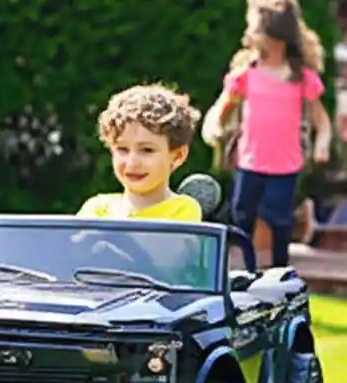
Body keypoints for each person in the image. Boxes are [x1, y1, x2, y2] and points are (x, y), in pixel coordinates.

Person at [207, 0, 332, 270]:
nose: (248, 36)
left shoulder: (301, 78)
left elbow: (322, 121)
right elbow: (223, 106)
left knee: (279, 220)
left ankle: (279, 269)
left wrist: (322, 144)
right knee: (242, 218)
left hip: (285, 165)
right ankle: (247, 271)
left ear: (276, 37)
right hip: (250, 163)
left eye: (255, 30)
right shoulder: (245, 76)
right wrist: (217, 125)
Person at [77, 83, 204, 222]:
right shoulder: (96, 209)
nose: (132, 163)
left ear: (178, 156)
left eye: (147, 150)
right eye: (122, 149)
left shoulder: (182, 209)